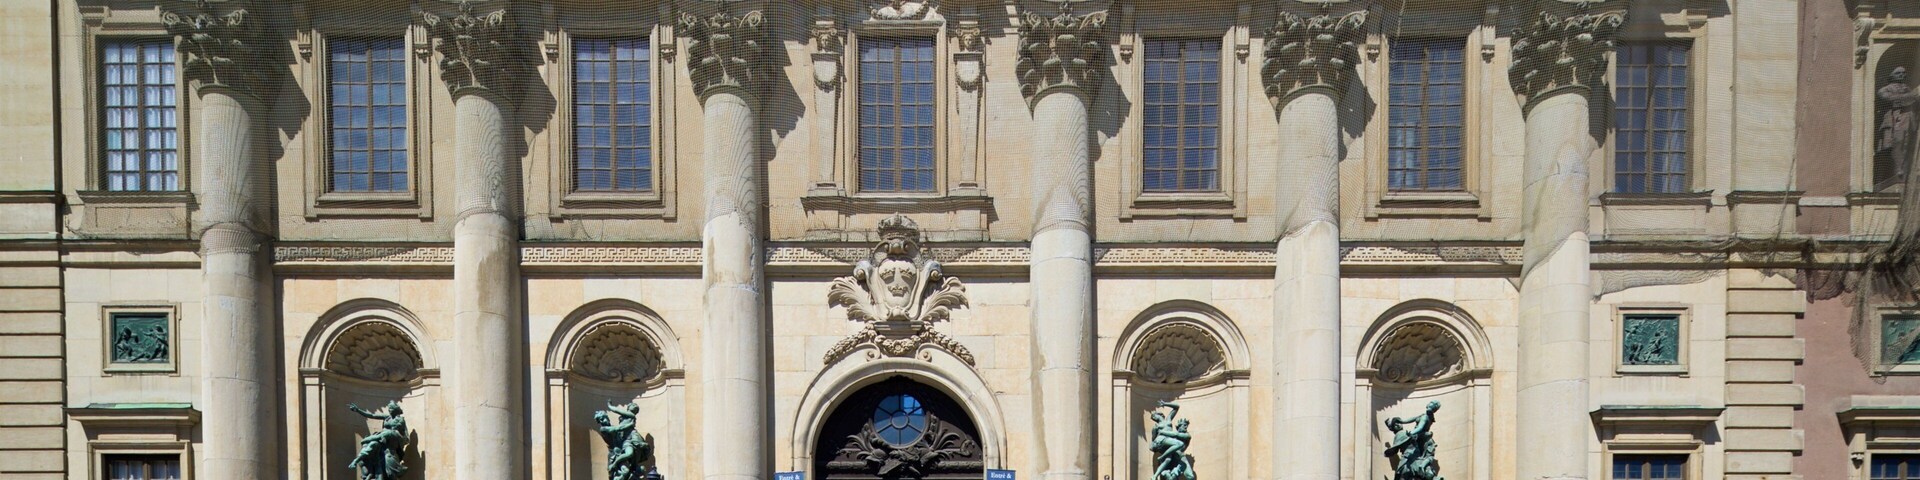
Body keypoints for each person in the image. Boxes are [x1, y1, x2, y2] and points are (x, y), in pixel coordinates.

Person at [346, 400, 409, 480]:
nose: (389, 410)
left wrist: (364, 440)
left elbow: (403, 437)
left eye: (391, 409)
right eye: (389, 408)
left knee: (390, 476)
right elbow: (372, 415)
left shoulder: (396, 425)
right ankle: (362, 466)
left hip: (390, 452)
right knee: (372, 447)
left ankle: (358, 461)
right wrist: (358, 410)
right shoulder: (387, 417)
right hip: (382, 447)